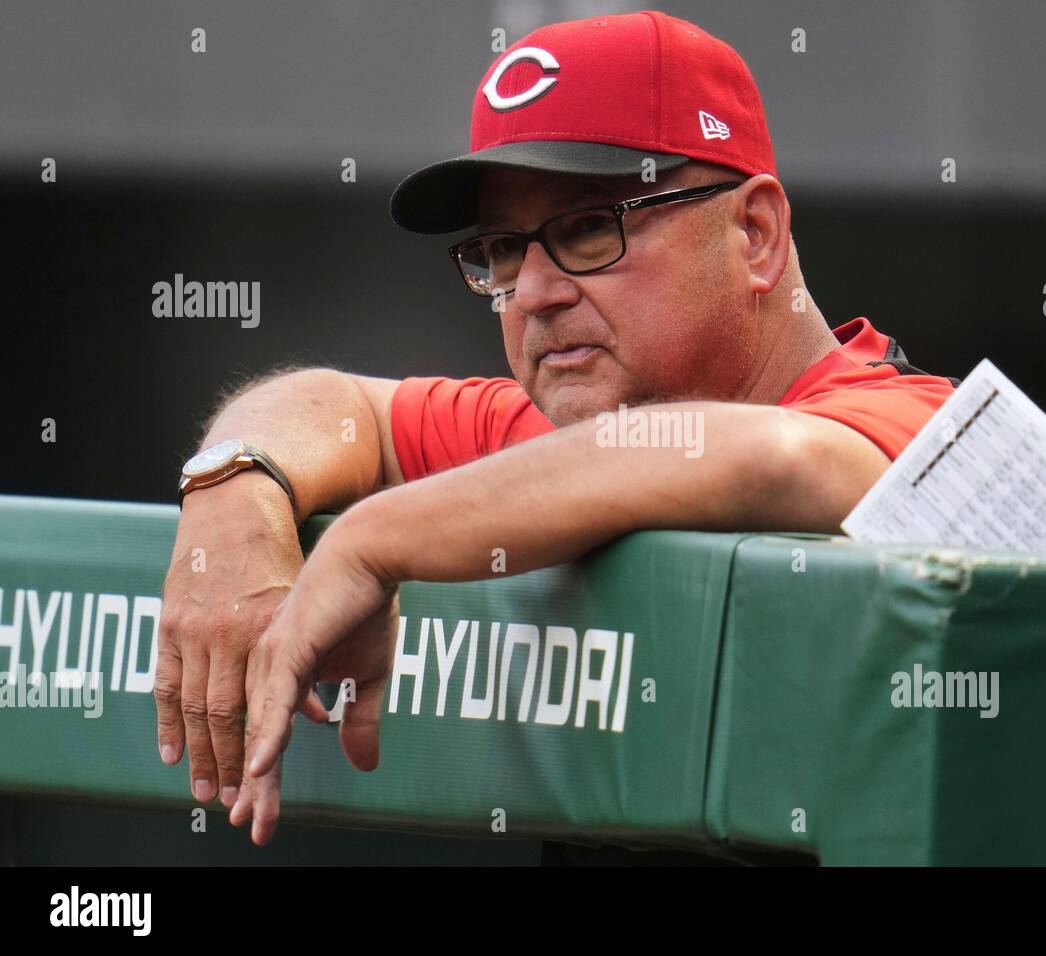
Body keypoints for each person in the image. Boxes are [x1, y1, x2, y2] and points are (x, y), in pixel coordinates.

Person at [155, 10, 957, 845]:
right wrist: (234, 491)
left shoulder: (915, 421)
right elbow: (337, 404)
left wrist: (373, 538)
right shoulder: (559, 441)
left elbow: (781, 459)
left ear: (753, 234)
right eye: (503, 248)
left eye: (586, 229)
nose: (531, 292)